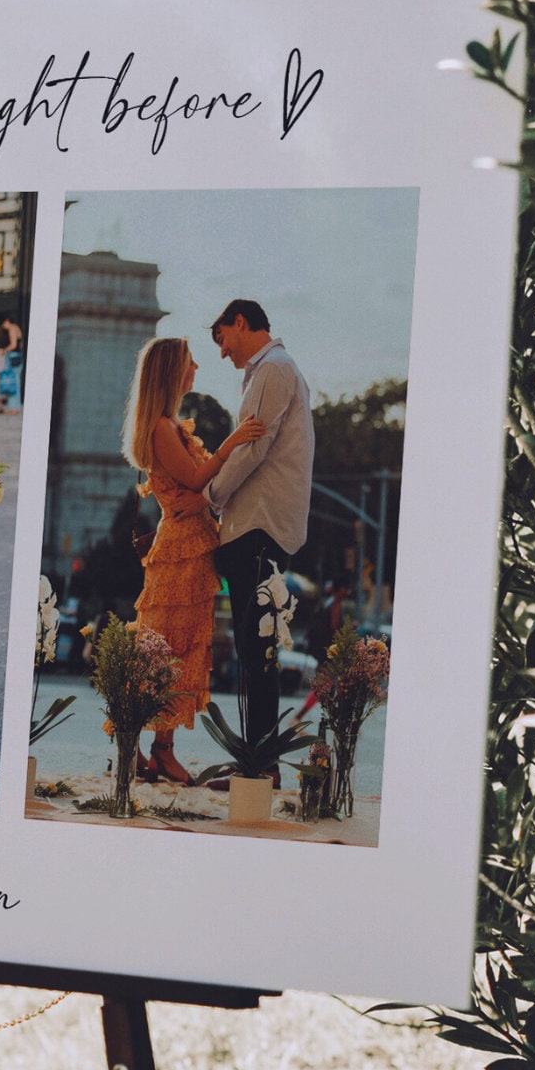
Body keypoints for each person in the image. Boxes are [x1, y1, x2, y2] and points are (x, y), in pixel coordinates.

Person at [120, 336, 266, 784]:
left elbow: (198, 489)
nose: (197, 367)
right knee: (166, 647)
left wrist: (201, 501)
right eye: (189, 362)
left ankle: (157, 750)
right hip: (180, 550)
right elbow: (198, 476)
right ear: (171, 371)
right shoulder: (162, 429)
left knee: (177, 647)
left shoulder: (168, 425)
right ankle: (149, 750)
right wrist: (233, 442)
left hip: (192, 545)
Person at [207, 299, 316, 770]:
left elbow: (252, 448)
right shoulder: (273, 369)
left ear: (240, 322)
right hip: (257, 523)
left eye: (223, 339)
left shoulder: (272, 369)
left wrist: (210, 494)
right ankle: (256, 760)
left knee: (258, 646)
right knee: (255, 646)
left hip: (259, 523)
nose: (223, 352)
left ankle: (259, 765)